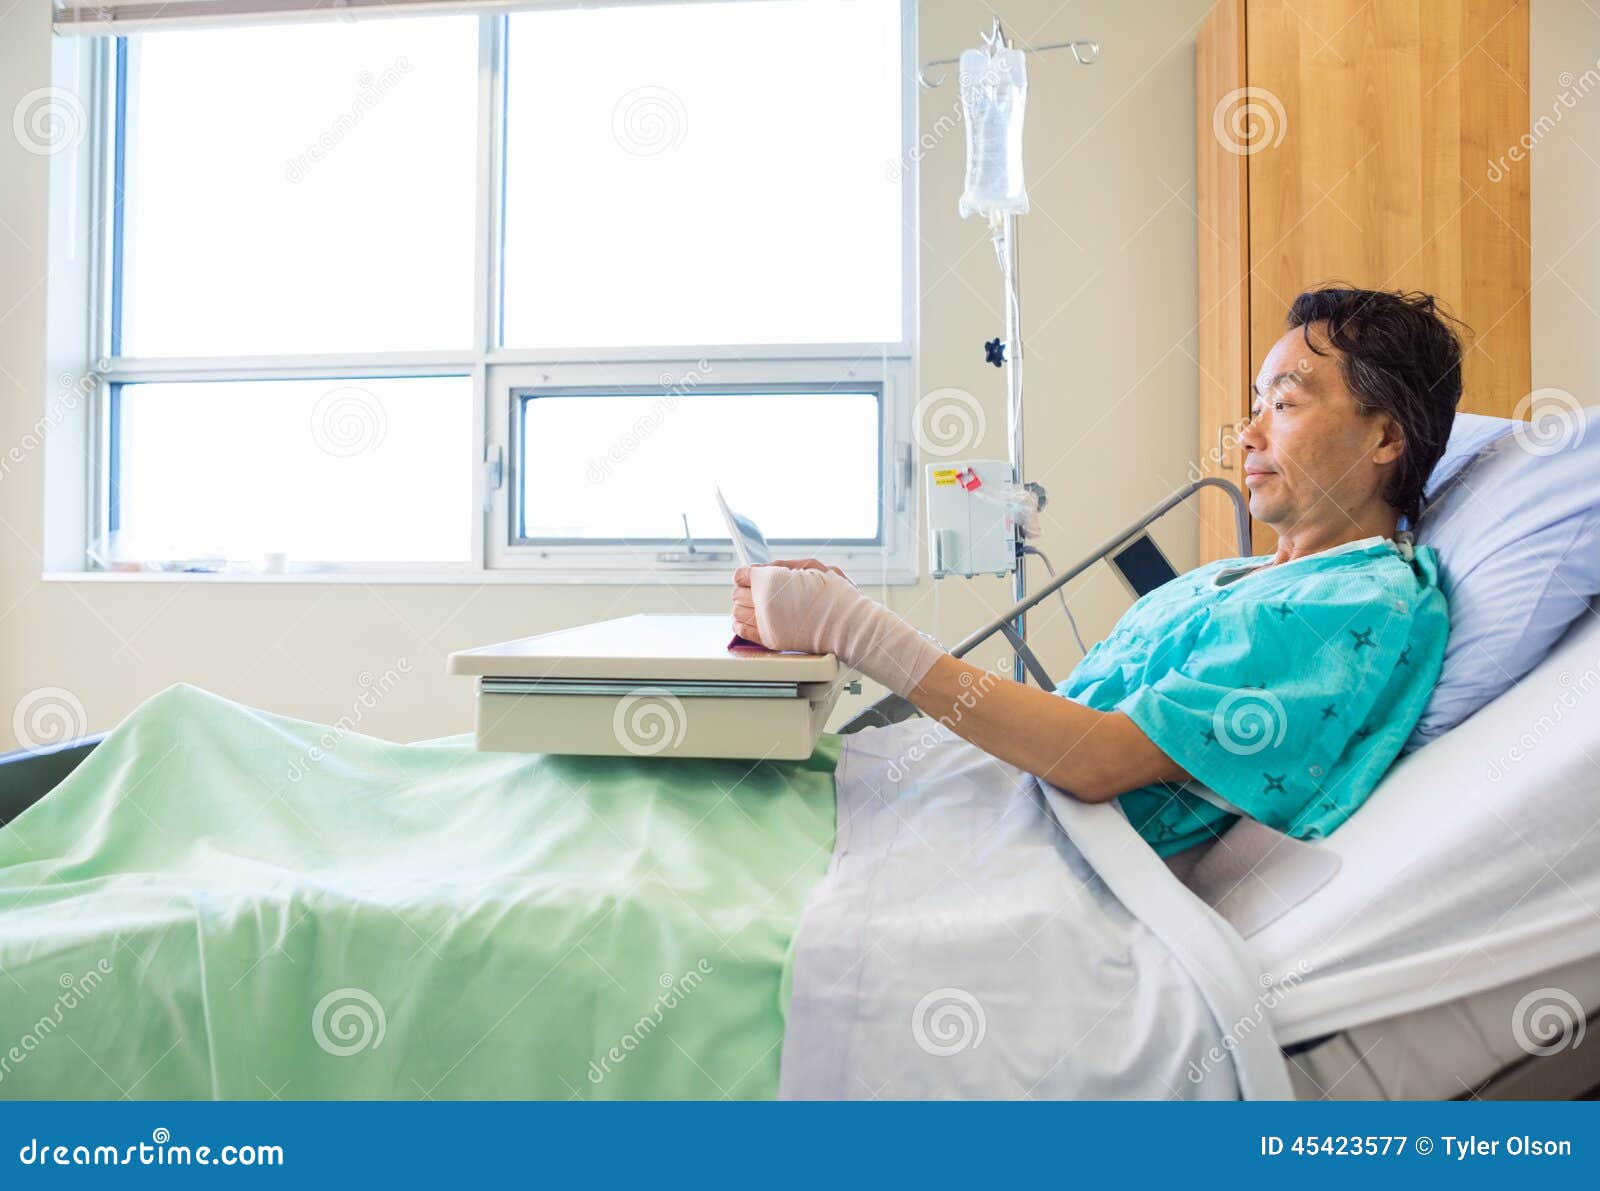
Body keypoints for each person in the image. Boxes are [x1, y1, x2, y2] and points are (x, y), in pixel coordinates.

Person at [732, 287, 1461, 856]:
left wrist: (853, 627)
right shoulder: (1245, 575)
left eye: (1286, 403)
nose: (1250, 432)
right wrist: (833, 611)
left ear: (1386, 436)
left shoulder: (1359, 603)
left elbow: (1097, 758)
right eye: (1255, 404)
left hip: (1044, 856)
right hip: (983, 801)